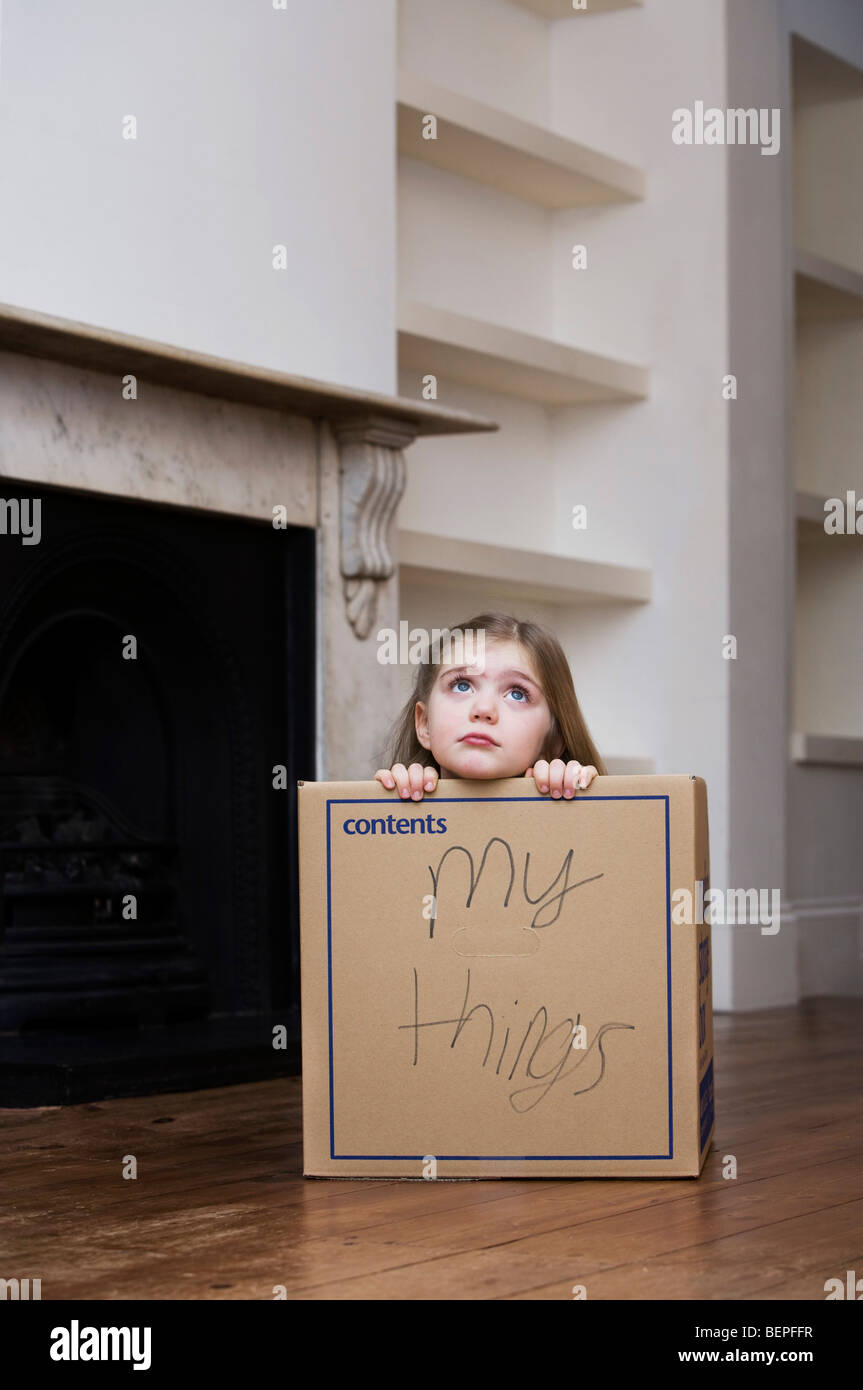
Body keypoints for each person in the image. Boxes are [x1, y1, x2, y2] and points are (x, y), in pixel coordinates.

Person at [374, 611, 605, 802]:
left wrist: (585, 800)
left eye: (517, 693)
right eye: (462, 686)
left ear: (553, 740)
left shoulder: (579, 801)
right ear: (424, 723)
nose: (484, 709)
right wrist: (388, 805)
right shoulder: (395, 798)